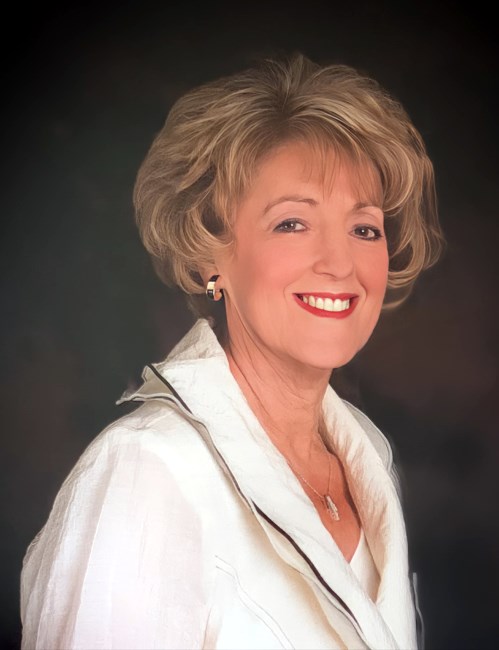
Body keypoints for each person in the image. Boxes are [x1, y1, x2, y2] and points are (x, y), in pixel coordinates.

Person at [20, 52, 444, 649]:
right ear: (208, 257)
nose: (340, 263)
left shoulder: (367, 457)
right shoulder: (148, 470)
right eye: (292, 223)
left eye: (364, 228)